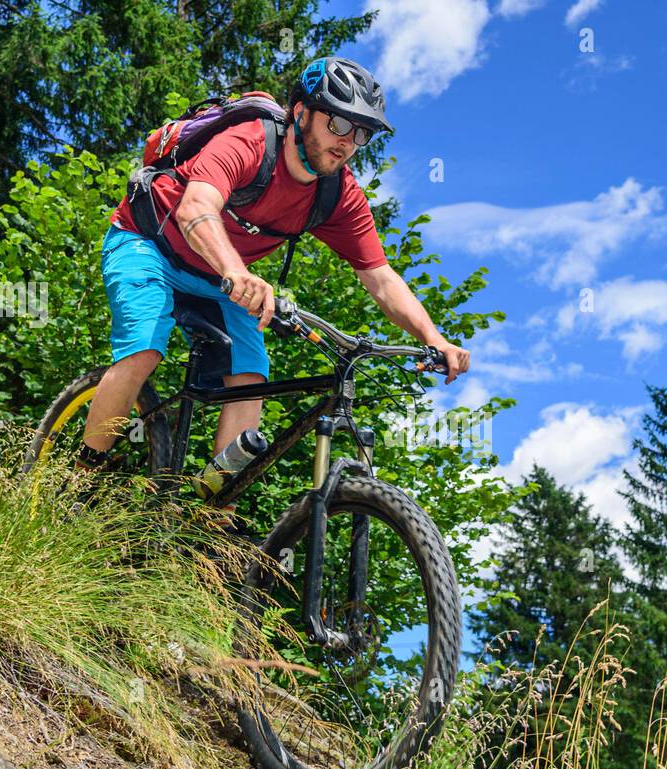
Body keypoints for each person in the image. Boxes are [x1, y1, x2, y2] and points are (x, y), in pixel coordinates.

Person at [79, 55, 471, 476]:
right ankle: (75, 482)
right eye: (337, 124)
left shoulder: (338, 195)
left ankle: (215, 516)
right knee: (144, 351)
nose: (347, 141)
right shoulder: (249, 142)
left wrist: (435, 338)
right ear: (301, 113)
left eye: (361, 133)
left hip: (219, 278)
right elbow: (196, 209)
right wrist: (237, 272)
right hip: (148, 242)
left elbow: (379, 277)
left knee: (251, 377)